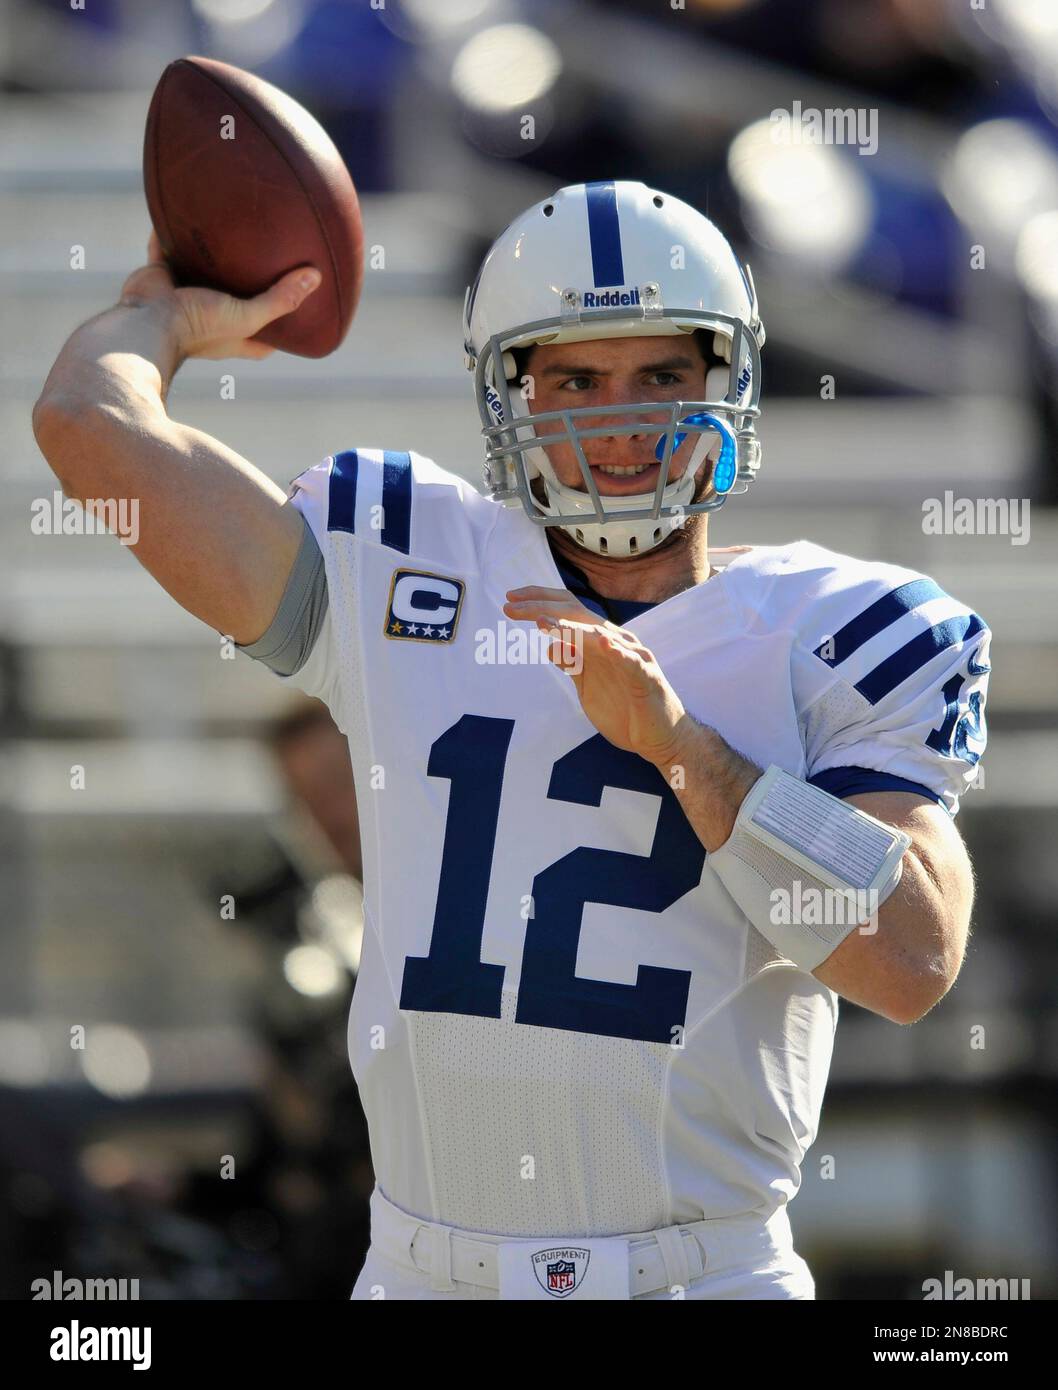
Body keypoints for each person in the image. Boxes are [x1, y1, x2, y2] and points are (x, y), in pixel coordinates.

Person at [33, 180, 989, 1301]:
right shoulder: (401, 555)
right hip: (422, 1272)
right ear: (509, 395)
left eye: (661, 375)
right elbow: (89, 430)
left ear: (726, 381)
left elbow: (912, 959)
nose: (620, 421)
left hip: (696, 1274)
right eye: (575, 378)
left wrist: (681, 747)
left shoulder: (837, 629)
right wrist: (163, 314)